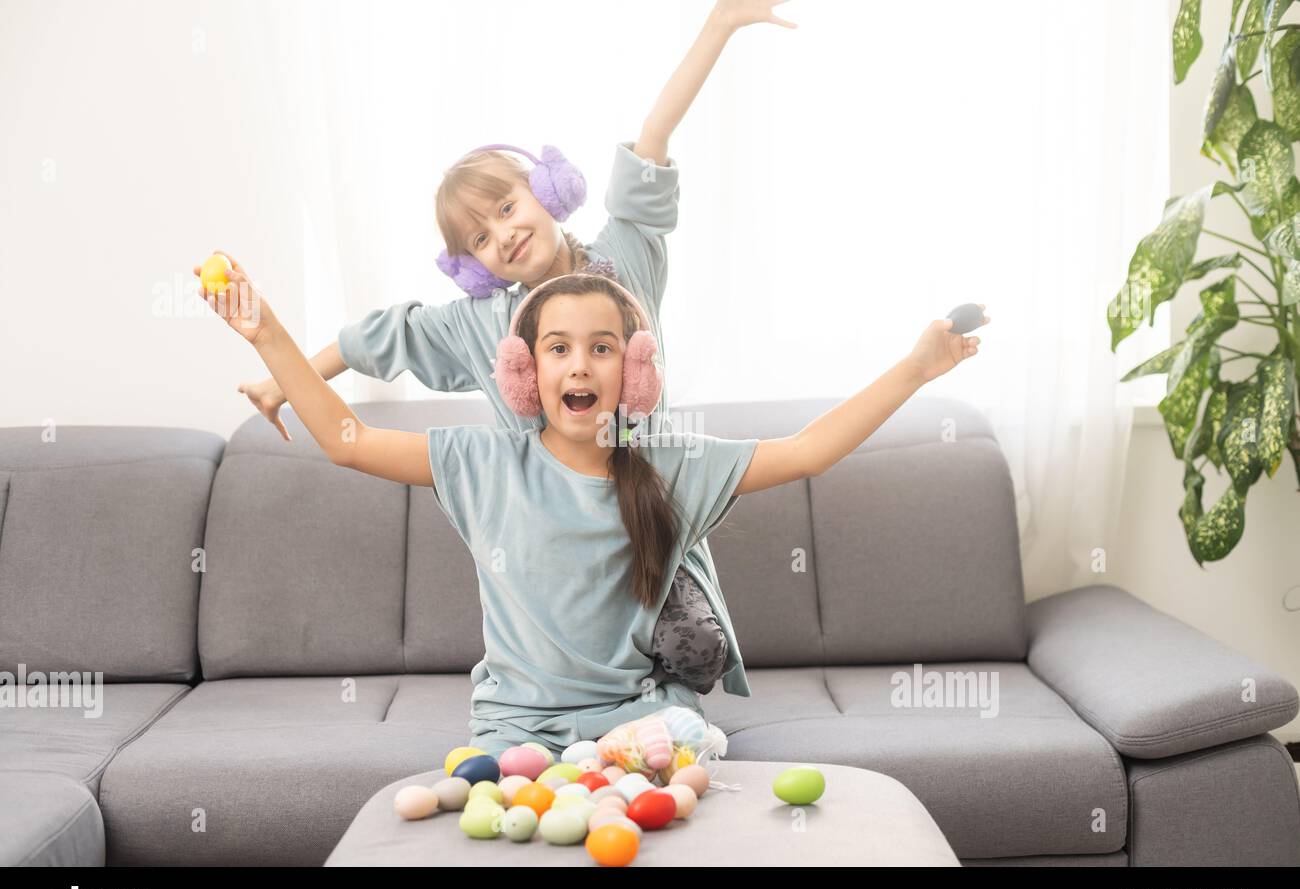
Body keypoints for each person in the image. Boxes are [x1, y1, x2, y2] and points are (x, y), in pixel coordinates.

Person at [204, 0, 800, 699]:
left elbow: (653, 135)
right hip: (550, 530)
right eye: (481, 239)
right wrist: (283, 377)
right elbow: (376, 338)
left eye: (508, 208)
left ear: (545, 192)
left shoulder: (627, 257)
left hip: (643, 509)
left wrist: (719, 26)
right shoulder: (480, 324)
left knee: (696, 646)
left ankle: (654, 713)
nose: (504, 234)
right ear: (477, 267)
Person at [199, 265, 990, 758]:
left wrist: (917, 369)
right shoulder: (480, 463)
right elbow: (345, 438)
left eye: (602, 347)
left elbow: (809, 448)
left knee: (665, 763)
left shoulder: (674, 464)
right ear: (525, 370)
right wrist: (268, 336)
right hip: (520, 730)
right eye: (559, 348)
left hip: (640, 720)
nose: (580, 364)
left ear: (633, 370)